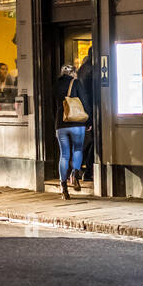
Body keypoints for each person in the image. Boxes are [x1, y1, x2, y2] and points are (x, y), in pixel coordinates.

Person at [54, 63, 90, 199]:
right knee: (78, 149)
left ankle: (63, 187)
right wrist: (88, 121)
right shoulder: (76, 83)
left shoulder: (56, 85)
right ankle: (74, 172)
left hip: (61, 124)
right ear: (73, 72)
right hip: (76, 122)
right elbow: (84, 102)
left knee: (64, 154)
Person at [77, 53, 95, 183]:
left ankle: (77, 171)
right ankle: (87, 172)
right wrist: (89, 117)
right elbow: (88, 95)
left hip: (82, 112)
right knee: (91, 143)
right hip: (89, 112)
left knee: (86, 143)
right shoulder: (90, 69)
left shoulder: (82, 69)